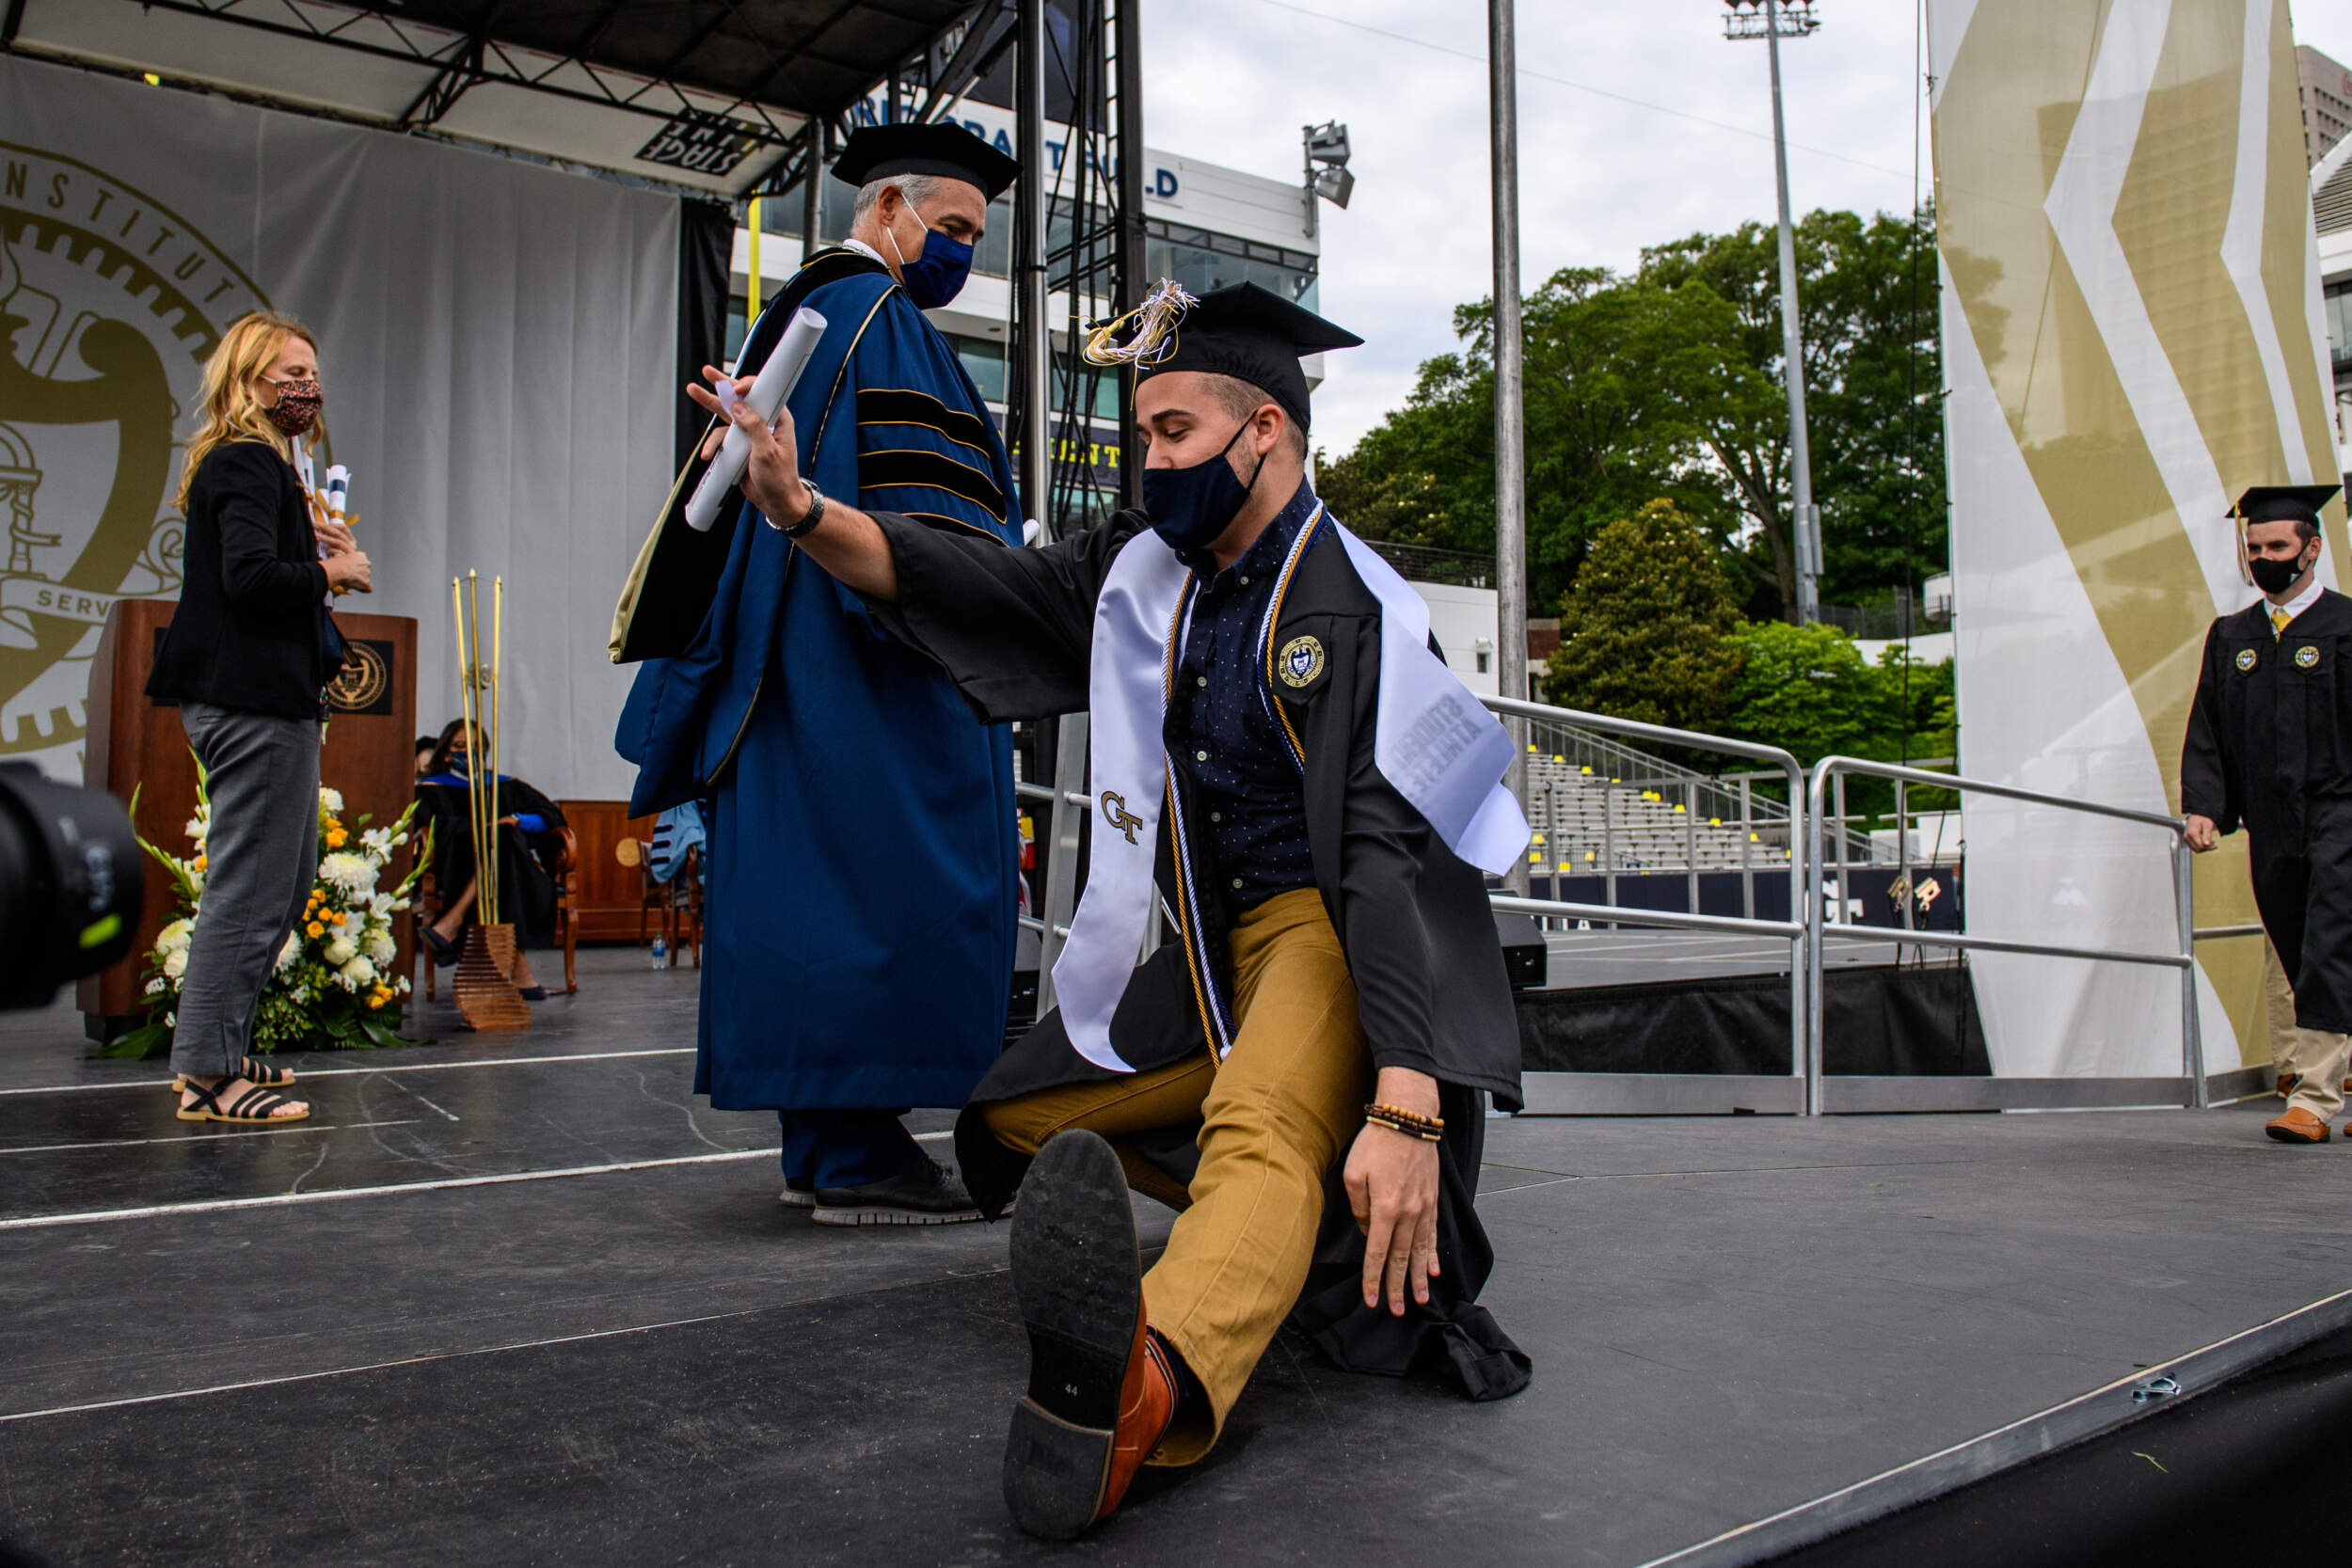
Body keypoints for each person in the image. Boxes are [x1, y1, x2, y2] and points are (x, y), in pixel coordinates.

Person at [687, 280, 1533, 1538]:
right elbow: (974, 582)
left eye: (1175, 433)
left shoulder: (1351, 607)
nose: (1151, 461)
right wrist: (800, 509)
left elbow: (1386, 860)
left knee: (1259, 1120)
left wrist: (1406, 1101)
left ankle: (1148, 1381)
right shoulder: (1148, 574)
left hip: (1330, 935)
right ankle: (1287, 1219)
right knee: (1020, 1118)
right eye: (1144, 433)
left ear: (1266, 435)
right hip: (1206, 950)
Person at [613, 123, 1025, 1226]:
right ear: (886, 207)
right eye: (949, 229)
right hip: (862, 664)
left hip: (786, 663)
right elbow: (933, 524)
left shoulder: (805, 317)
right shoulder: (877, 321)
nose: (959, 257)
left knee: (810, 887)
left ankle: (830, 1141)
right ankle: (851, 1150)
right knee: (875, 882)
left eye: (974, 240)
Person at [147, 310, 371, 1124]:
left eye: (312, 373)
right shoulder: (245, 462)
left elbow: (257, 563)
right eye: (290, 375)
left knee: (280, 881)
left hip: (260, 696)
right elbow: (249, 581)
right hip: (250, 698)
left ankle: (217, 1048)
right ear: (247, 383)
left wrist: (311, 552)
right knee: (249, 890)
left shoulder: (255, 466)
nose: (307, 387)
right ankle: (207, 1073)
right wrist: (331, 571)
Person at [2183, 483, 2352, 1144]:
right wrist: (2204, 806)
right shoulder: (2234, 637)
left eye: (2277, 546)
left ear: (2312, 548)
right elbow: (2209, 728)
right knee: (2293, 940)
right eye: (2254, 547)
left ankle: (2313, 1096)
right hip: (2271, 822)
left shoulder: (2345, 626)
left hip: (2341, 806)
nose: (2263, 558)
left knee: (2329, 941)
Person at [415, 719, 567, 1000]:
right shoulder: (430, 789)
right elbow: (432, 829)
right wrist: (480, 832)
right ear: (446, 753)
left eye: (475, 746)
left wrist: (519, 820)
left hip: (509, 870)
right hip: (456, 866)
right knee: (501, 842)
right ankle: (522, 975)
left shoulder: (505, 785)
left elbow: (551, 816)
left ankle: (451, 922)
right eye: (460, 746)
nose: (468, 752)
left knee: (504, 839)